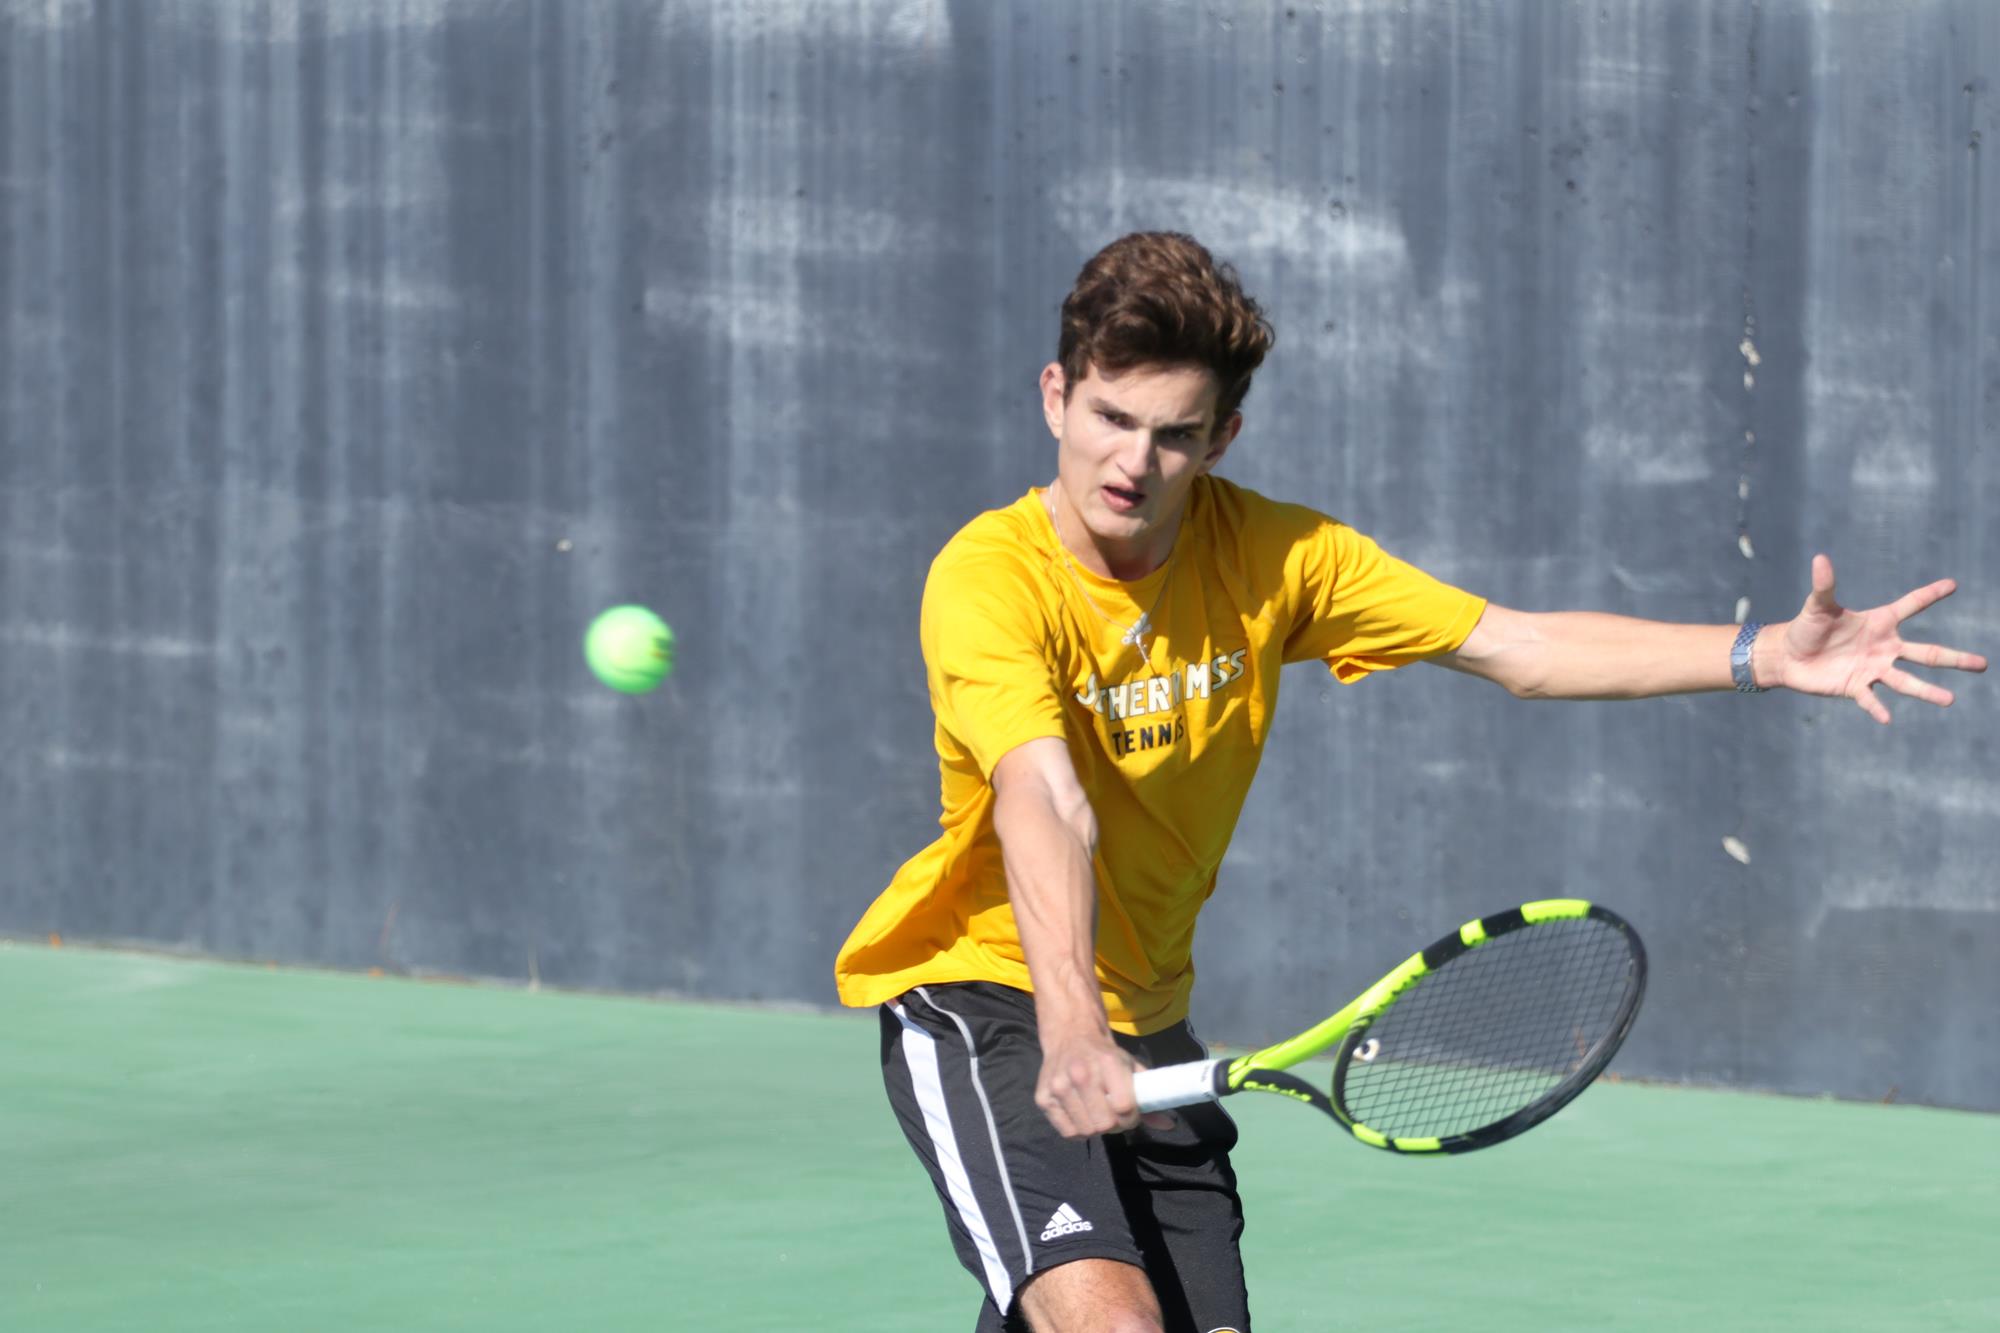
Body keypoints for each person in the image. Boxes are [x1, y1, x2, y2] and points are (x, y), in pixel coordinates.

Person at [831, 232, 1985, 1333]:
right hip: (988, 1001)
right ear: (1054, 398)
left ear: (1222, 437)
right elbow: (1045, 796)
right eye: (1109, 418)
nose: (1132, 461)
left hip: (1152, 1025)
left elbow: (1517, 648)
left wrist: (1761, 657)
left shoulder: (1281, 558)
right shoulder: (987, 580)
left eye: (1173, 434)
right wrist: (1073, 1028)